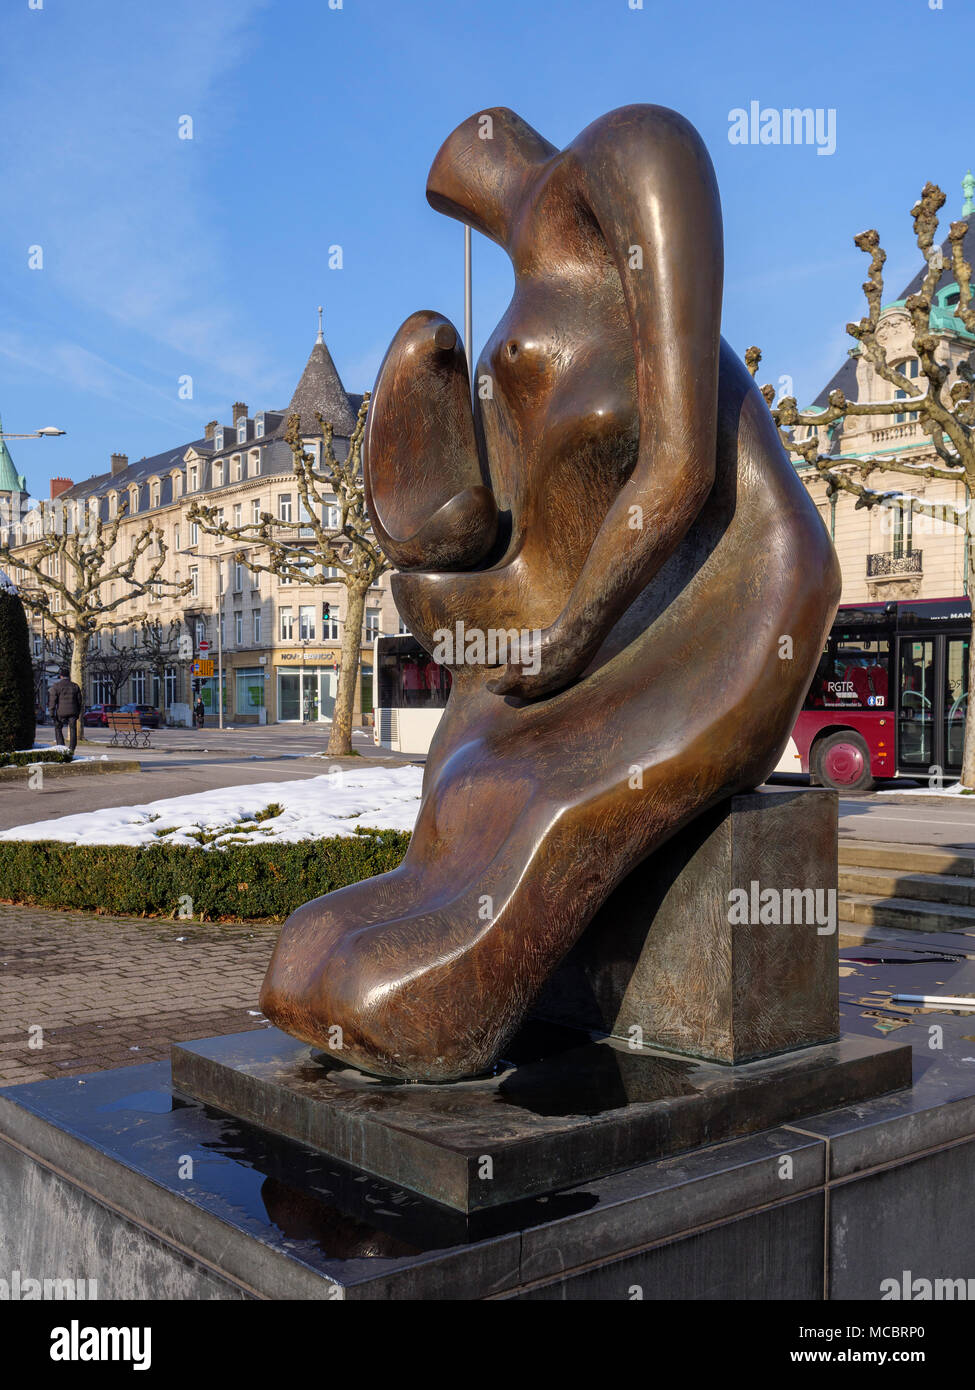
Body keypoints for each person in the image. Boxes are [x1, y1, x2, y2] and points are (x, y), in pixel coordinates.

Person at [47, 666, 83, 753]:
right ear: (69, 675)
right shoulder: (75, 686)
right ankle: (72, 748)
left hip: (61, 712)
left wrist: (51, 713)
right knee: (73, 729)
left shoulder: (56, 686)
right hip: (73, 712)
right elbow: (79, 701)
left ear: (61, 676)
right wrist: (77, 712)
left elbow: (53, 701)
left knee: (58, 728)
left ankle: (61, 746)